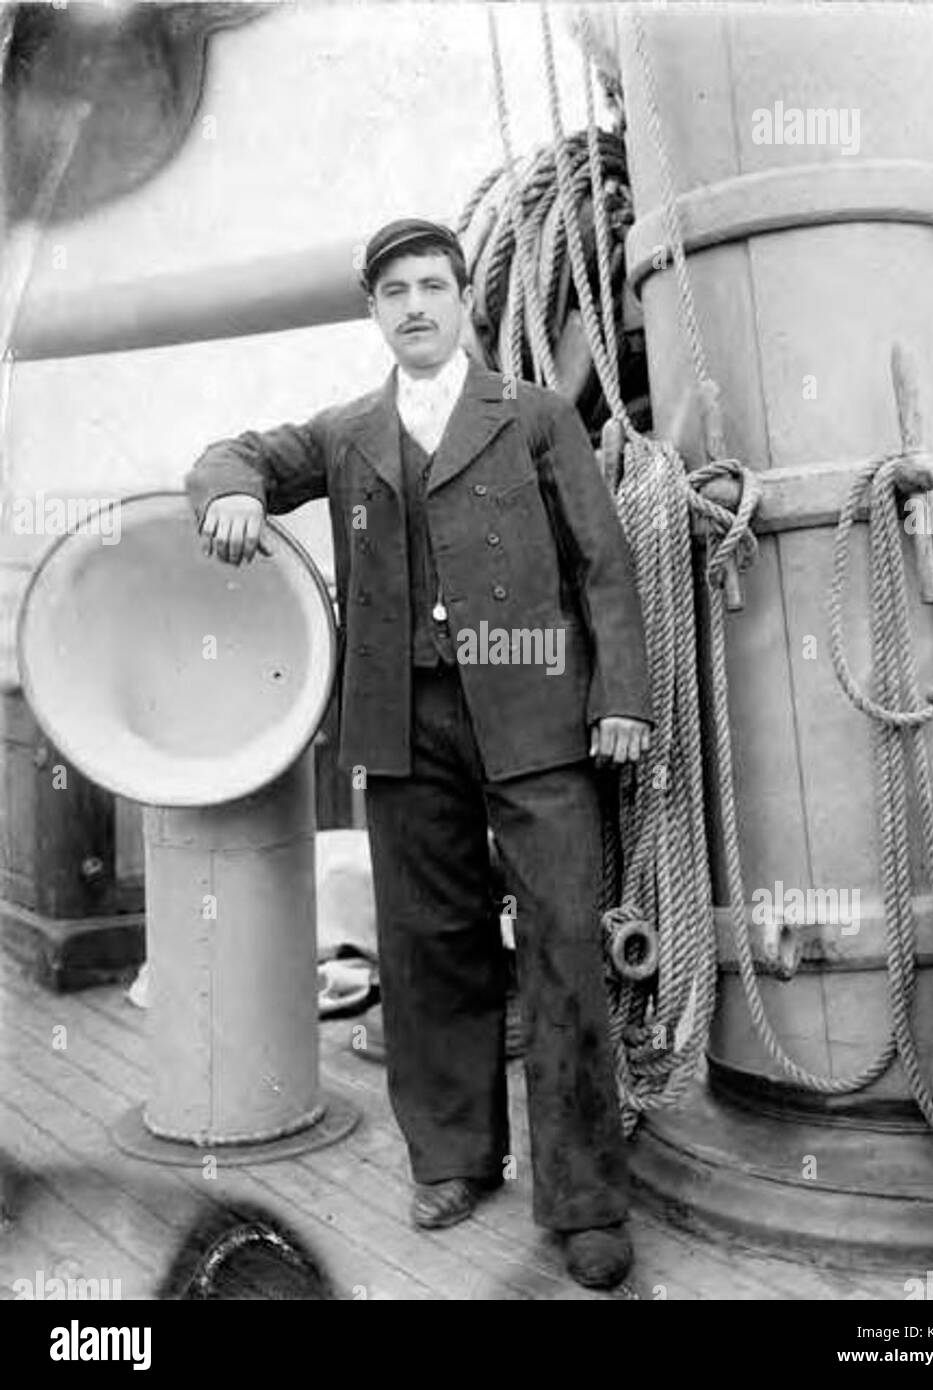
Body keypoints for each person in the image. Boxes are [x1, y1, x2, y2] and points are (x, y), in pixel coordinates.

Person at [186, 218, 653, 1290]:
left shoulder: (531, 417)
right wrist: (229, 490)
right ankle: (451, 1159)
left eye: (432, 286)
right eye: (392, 291)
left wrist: (618, 697)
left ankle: (583, 1201)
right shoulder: (349, 431)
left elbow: (605, 565)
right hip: (403, 722)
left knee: (563, 945)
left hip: (535, 713)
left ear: (462, 304)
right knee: (426, 944)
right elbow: (239, 453)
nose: (414, 306)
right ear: (374, 311)